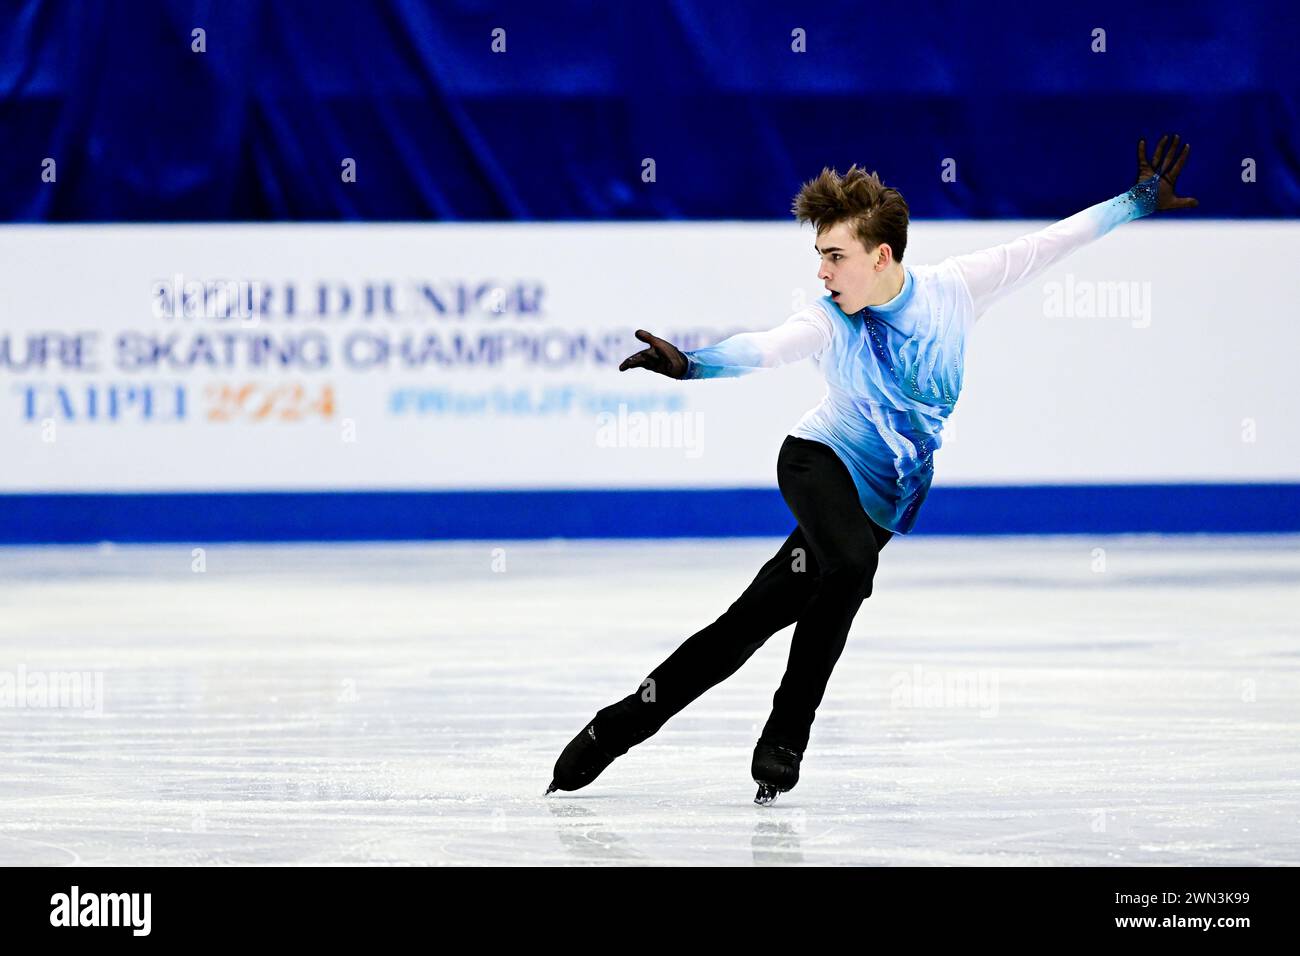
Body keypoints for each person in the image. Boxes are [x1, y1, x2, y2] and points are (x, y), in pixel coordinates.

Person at [547, 134, 1197, 805]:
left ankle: (610, 731)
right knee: (851, 568)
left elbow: (1052, 243)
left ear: (880, 256)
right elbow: (769, 349)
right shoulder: (827, 320)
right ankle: (785, 736)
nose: (823, 274)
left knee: (747, 624)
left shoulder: (956, 291)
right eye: (819, 258)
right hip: (817, 462)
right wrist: (692, 364)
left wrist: (1137, 201)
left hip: (882, 501)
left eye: (835, 257)